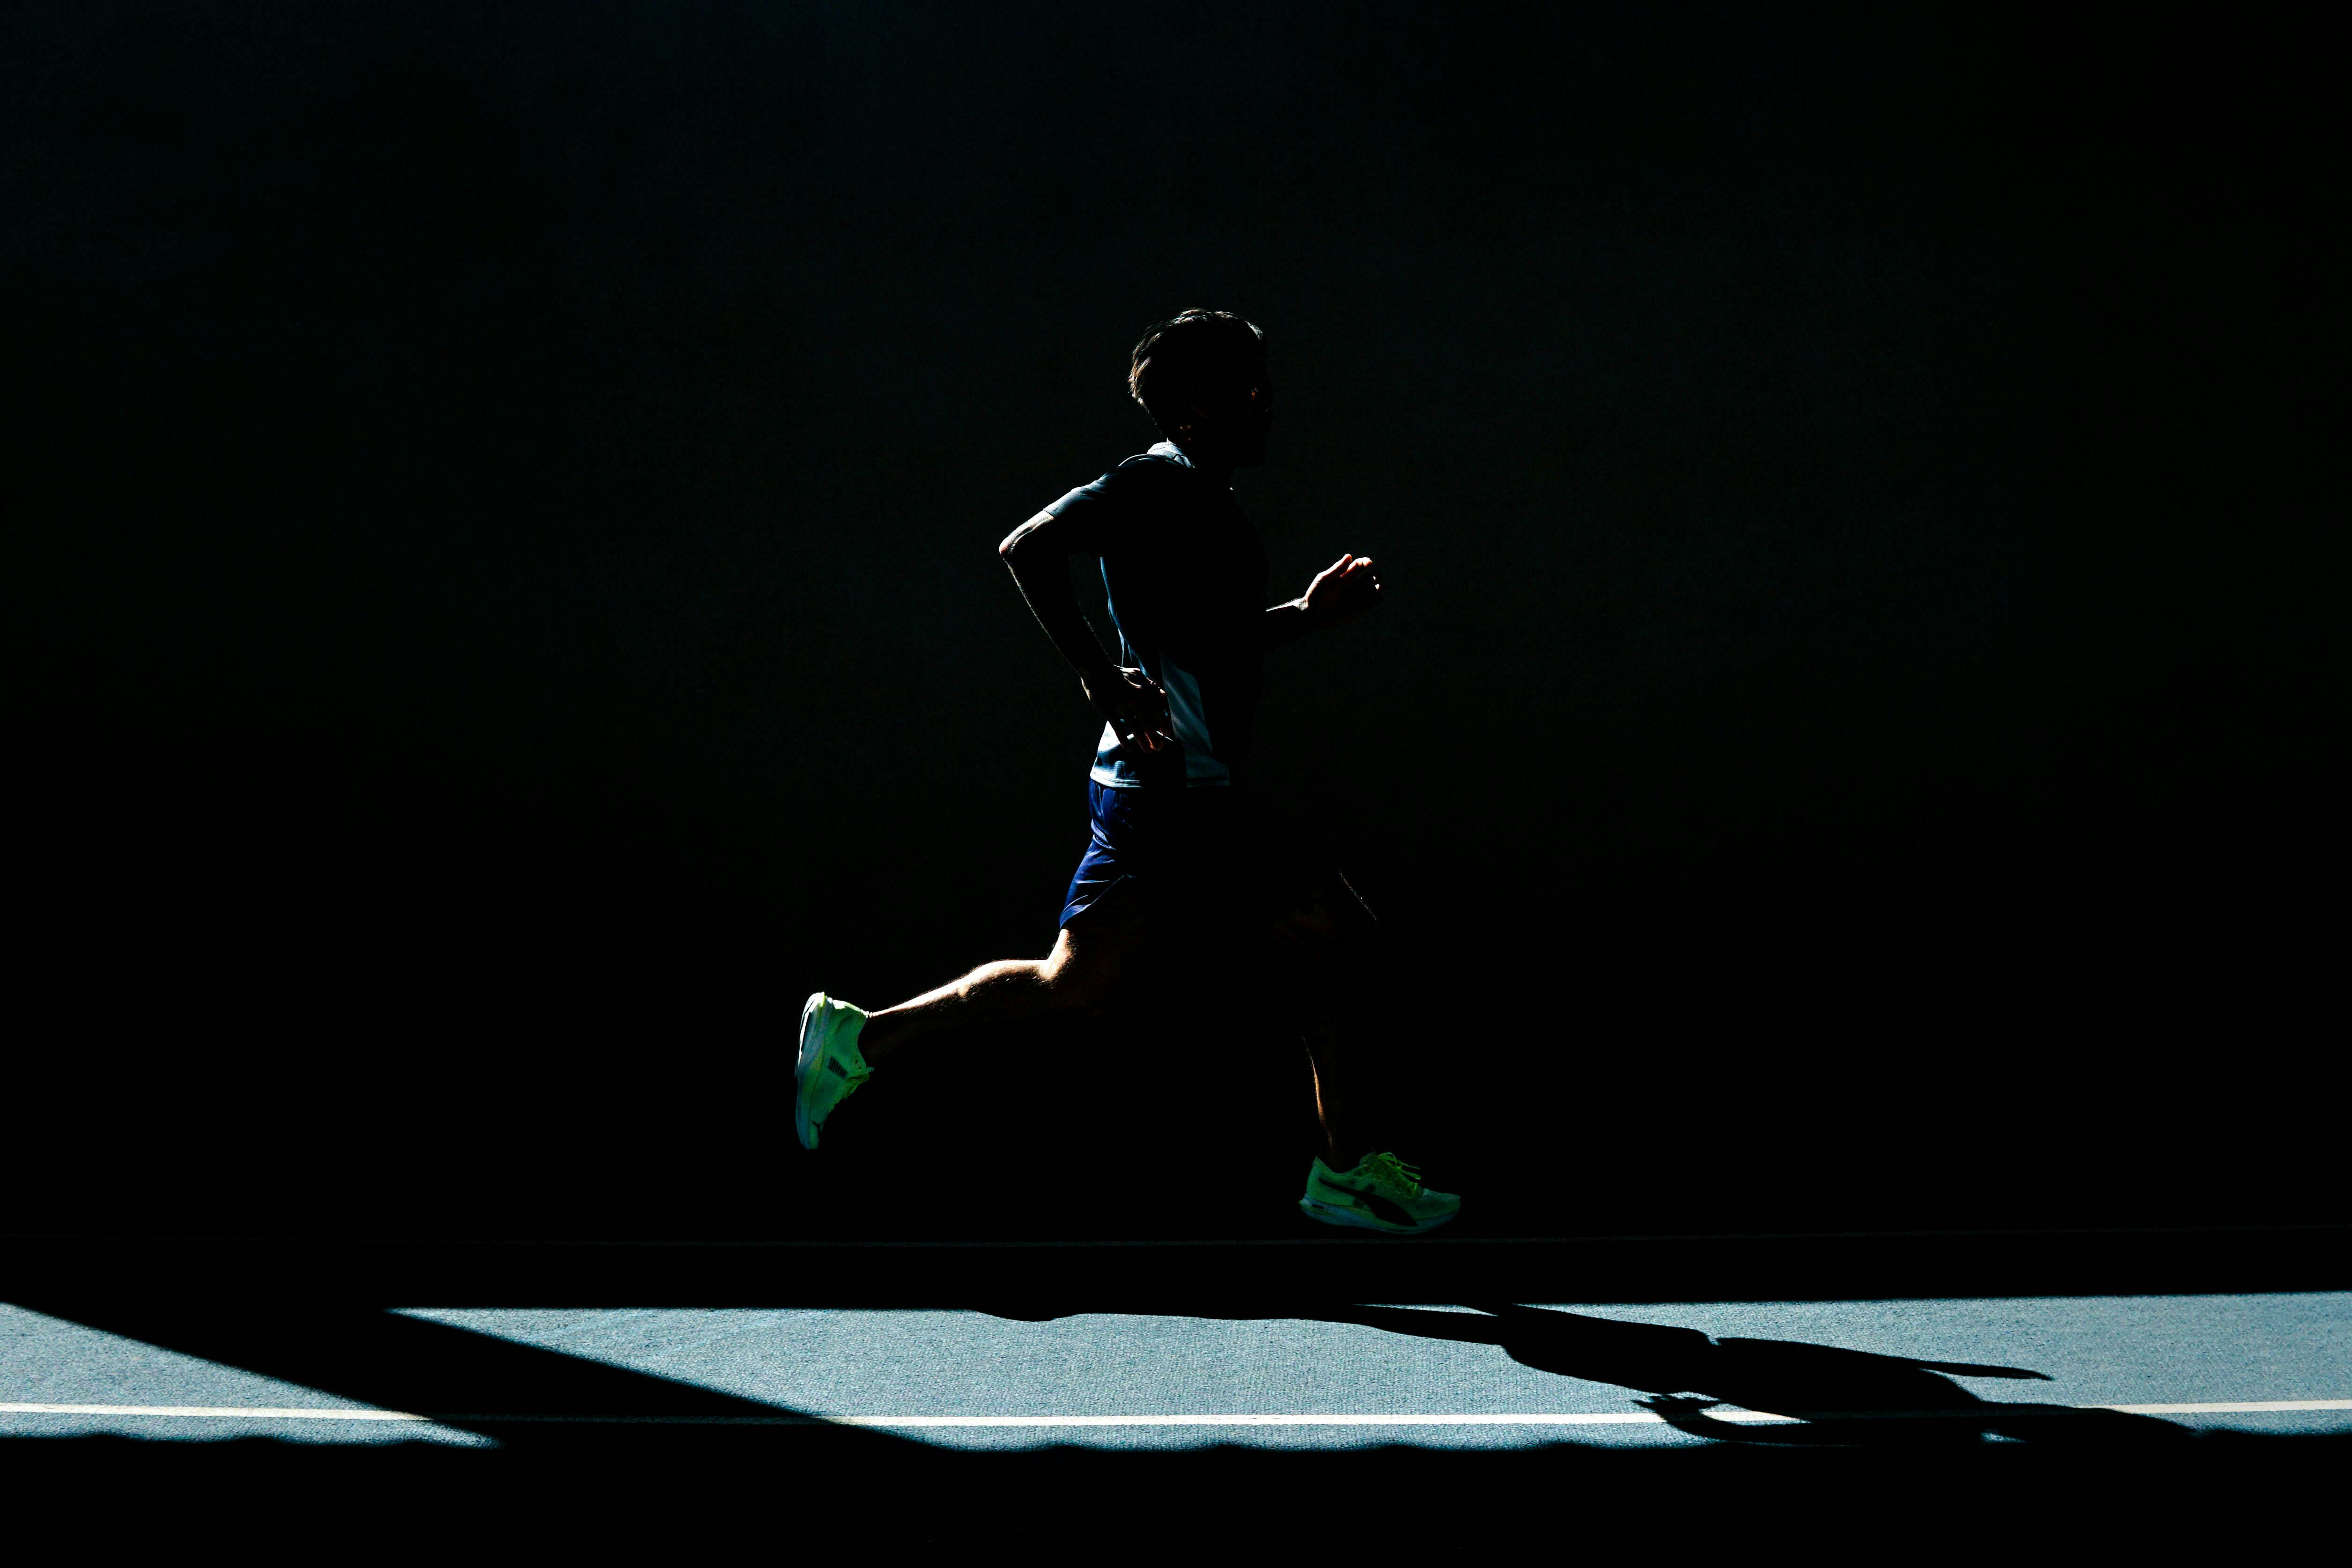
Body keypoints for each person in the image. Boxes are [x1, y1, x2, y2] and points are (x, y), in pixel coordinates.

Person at [793, 309, 1460, 1234]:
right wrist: (1102, 681)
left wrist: (1305, 613)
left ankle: (857, 1037)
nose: (1268, 404)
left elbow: (1207, 647)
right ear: (1191, 411)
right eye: (1247, 391)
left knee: (1076, 982)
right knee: (1343, 942)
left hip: (1148, 793)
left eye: (1267, 385)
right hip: (1179, 800)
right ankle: (1345, 1170)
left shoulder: (1202, 496)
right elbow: (1025, 548)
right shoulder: (1152, 485)